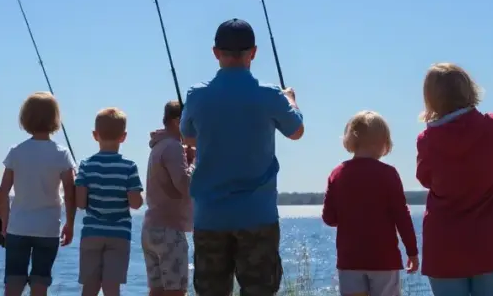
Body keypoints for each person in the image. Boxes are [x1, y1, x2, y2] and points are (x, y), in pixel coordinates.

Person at [180, 18, 305, 296]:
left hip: (210, 216)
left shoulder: (197, 95)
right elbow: (296, 131)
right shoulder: (270, 95)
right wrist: (291, 99)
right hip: (257, 215)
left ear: (216, 53)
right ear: (254, 52)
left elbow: (187, 136)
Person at [415, 58, 493, 296]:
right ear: (468, 89)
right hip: (491, 246)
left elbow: (425, 179)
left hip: (443, 249)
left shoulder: (426, 141)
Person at [322, 111, 419, 296]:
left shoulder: (338, 174)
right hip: (384, 260)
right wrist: (412, 252)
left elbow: (329, 218)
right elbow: (402, 217)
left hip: (350, 261)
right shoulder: (388, 174)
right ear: (383, 142)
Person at [0, 92, 77, 296]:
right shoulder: (61, 154)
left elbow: (3, 191)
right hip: (48, 228)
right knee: (41, 281)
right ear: (55, 119)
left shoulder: (16, 151)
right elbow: (70, 193)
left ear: (25, 118)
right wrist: (70, 223)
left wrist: (4, 221)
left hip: (18, 226)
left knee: (14, 280)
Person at [75, 107, 144, 296]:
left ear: (95, 135)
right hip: (119, 235)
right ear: (123, 137)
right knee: (112, 287)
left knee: (90, 286)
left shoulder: (86, 165)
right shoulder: (129, 167)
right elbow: (136, 203)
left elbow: (80, 203)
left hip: (91, 233)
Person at [143, 100, 196, 296]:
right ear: (177, 121)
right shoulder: (173, 147)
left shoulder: (158, 146)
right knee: (176, 291)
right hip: (169, 230)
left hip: (151, 228)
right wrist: (193, 163)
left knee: (156, 290)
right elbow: (184, 184)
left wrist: (186, 161)